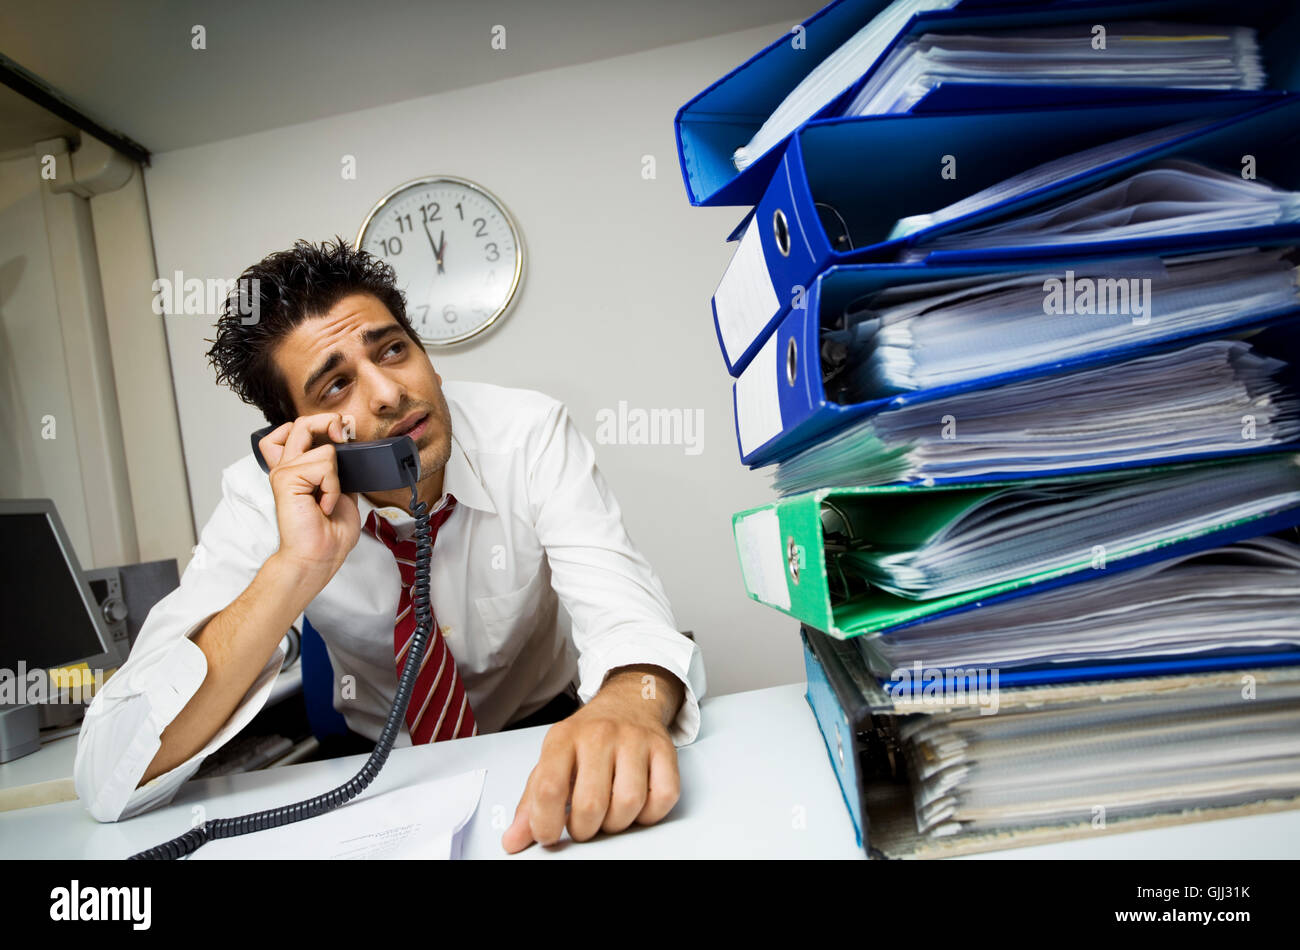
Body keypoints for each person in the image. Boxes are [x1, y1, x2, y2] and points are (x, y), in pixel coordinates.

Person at [74, 237, 705, 853]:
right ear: (296, 432)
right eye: (335, 386)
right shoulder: (261, 496)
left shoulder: (528, 433)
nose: (386, 392)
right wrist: (297, 565)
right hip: (379, 763)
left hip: (542, 727)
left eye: (394, 350)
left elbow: (624, 610)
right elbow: (109, 776)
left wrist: (628, 703)